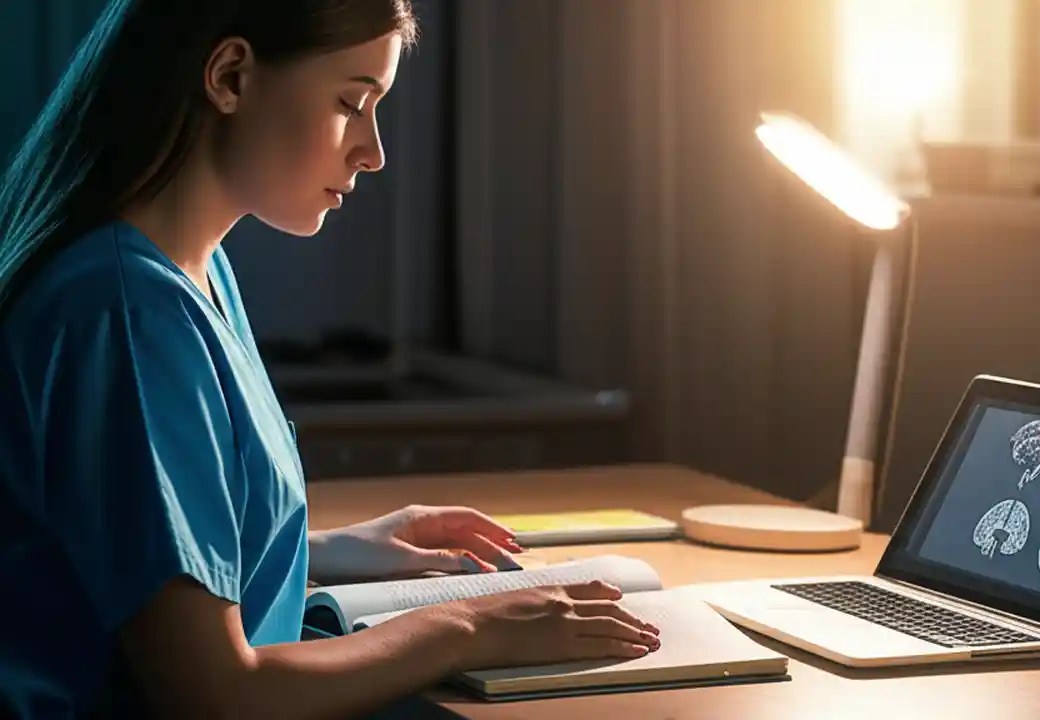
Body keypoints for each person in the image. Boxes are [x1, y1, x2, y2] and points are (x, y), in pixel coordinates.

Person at [0, 2, 659, 717]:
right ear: (229, 76)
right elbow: (214, 693)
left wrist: (333, 547)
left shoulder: (196, 271)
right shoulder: (125, 310)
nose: (372, 151)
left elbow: (130, 548)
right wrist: (468, 625)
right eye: (353, 103)